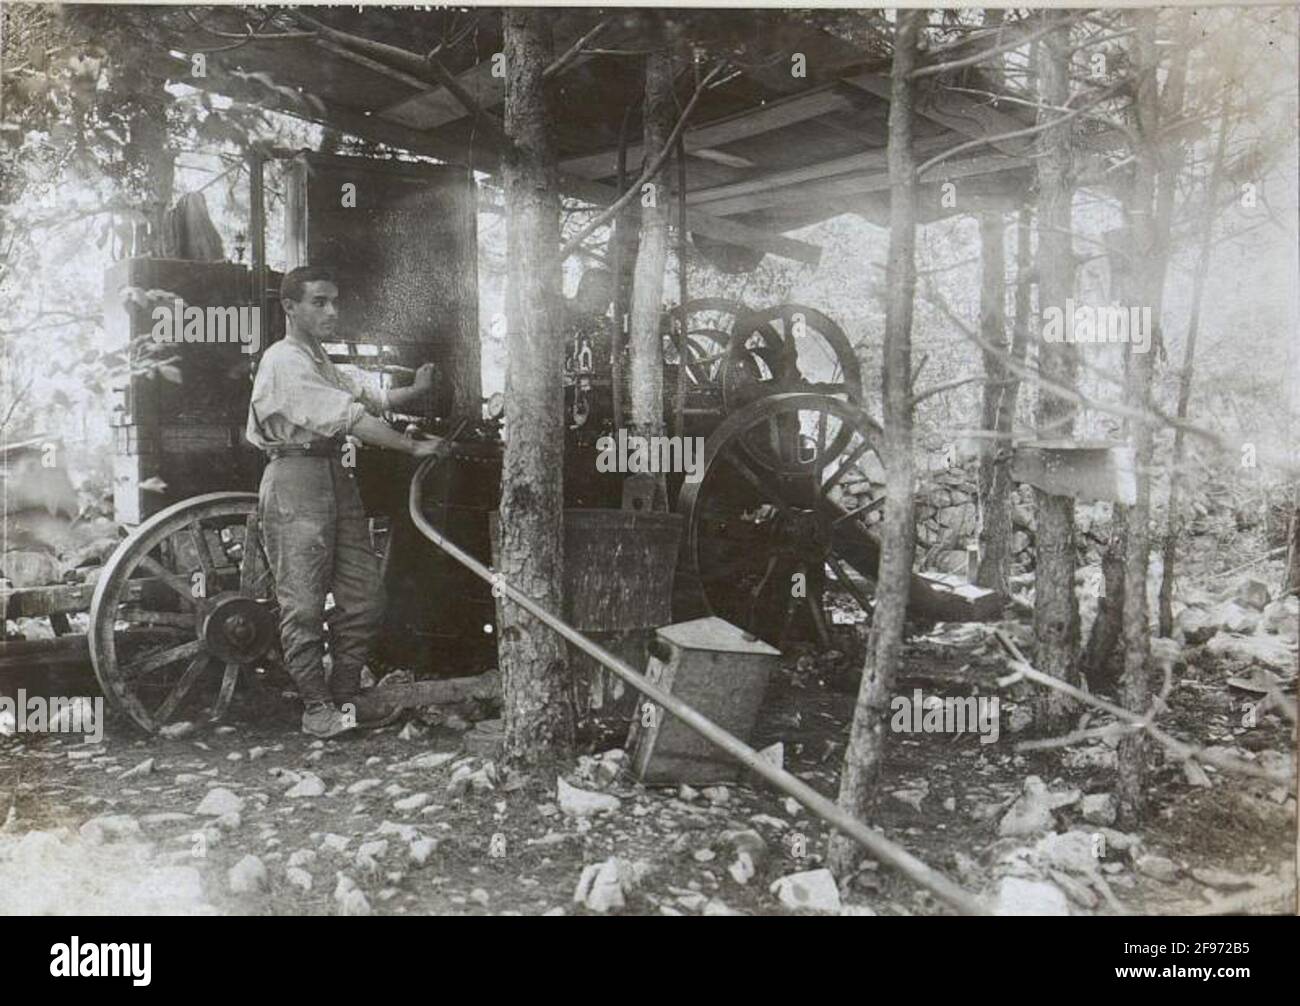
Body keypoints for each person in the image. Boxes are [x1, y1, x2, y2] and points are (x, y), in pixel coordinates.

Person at [246, 265, 444, 738]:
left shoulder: (316, 358)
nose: (331, 311)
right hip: (294, 476)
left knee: (365, 597)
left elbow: (365, 394)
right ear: (289, 307)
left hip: (333, 474)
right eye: (319, 302)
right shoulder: (284, 360)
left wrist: (414, 390)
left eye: (334, 301)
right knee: (304, 603)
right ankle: (317, 709)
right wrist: (412, 447)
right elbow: (348, 416)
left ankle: (346, 695)